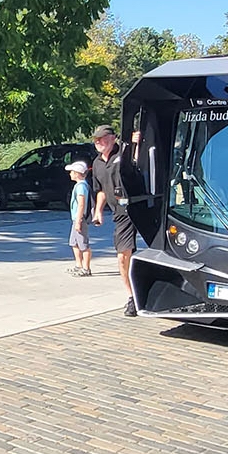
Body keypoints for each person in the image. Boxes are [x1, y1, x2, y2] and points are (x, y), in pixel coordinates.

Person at [91, 124, 144, 316]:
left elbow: (137, 162)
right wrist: (98, 212)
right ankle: (133, 297)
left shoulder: (122, 152)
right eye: (96, 139)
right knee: (123, 256)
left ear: (113, 138)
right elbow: (102, 191)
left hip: (139, 205)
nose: (99, 142)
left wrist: (136, 144)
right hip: (120, 213)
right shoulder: (97, 163)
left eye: (103, 138)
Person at [66, 160, 92, 277]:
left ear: (77, 173)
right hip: (75, 219)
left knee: (83, 244)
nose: (70, 173)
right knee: (74, 243)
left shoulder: (81, 187)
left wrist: (78, 220)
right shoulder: (79, 185)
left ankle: (86, 268)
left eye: (72, 171)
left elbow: (81, 204)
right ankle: (79, 265)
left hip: (79, 219)